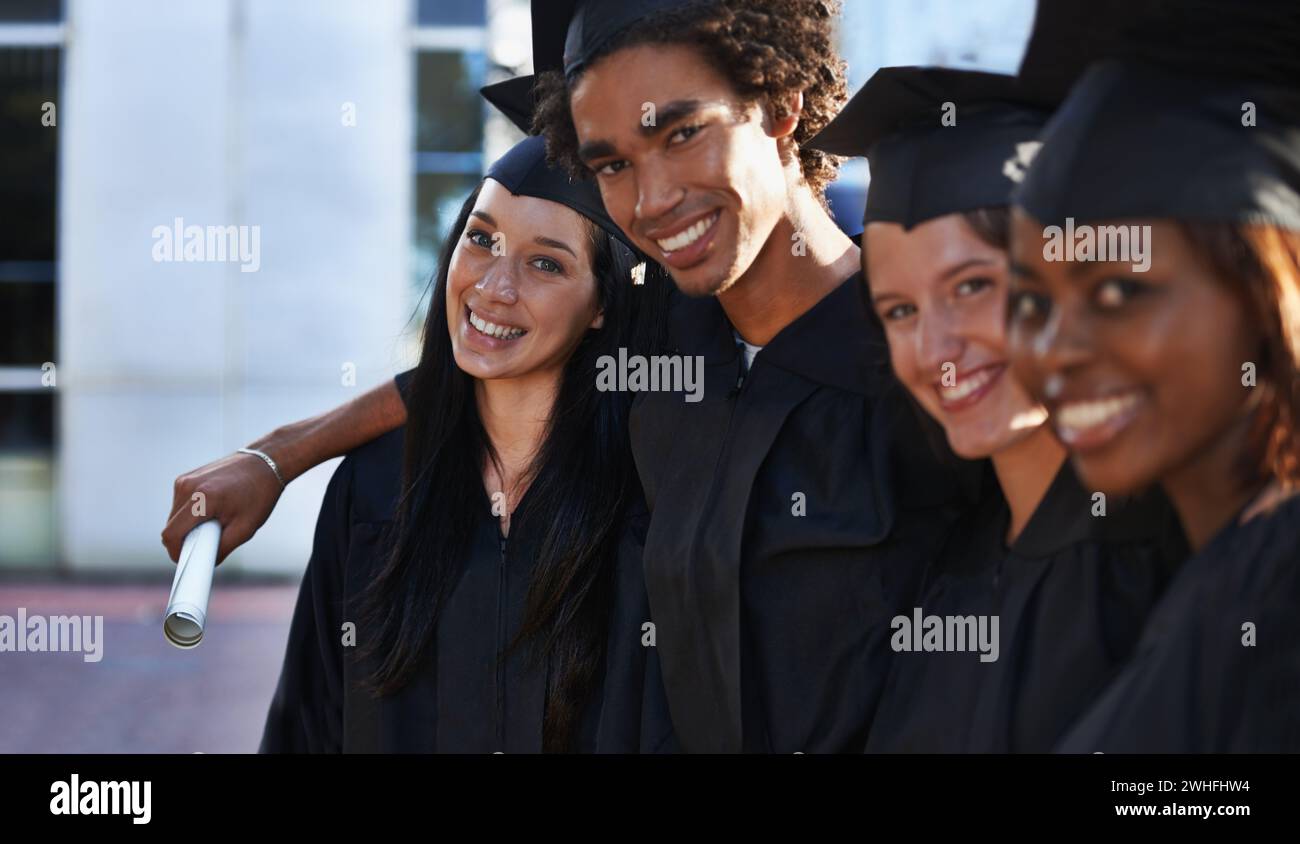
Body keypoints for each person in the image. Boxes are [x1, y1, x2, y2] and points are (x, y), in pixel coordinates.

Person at [169, 0, 971, 753]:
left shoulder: (933, 369)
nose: (651, 197)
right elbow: (473, 374)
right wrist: (281, 456)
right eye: (613, 161)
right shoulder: (672, 339)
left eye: (684, 132)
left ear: (780, 106)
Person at [808, 66, 1186, 752]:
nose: (935, 349)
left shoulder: (1175, 559)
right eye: (900, 310)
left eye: (975, 285)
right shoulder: (948, 564)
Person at [259, 135, 676, 753]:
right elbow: (309, 728)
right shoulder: (377, 487)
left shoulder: (647, 508)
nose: (493, 287)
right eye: (481, 240)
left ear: (602, 305)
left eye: (546, 263)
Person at [1006, 54, 1300, 751]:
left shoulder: (1282, 586)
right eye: (1029, 300)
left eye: (1117, 292)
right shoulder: (1221, 574)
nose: (1053, 350)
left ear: (1265, 288)